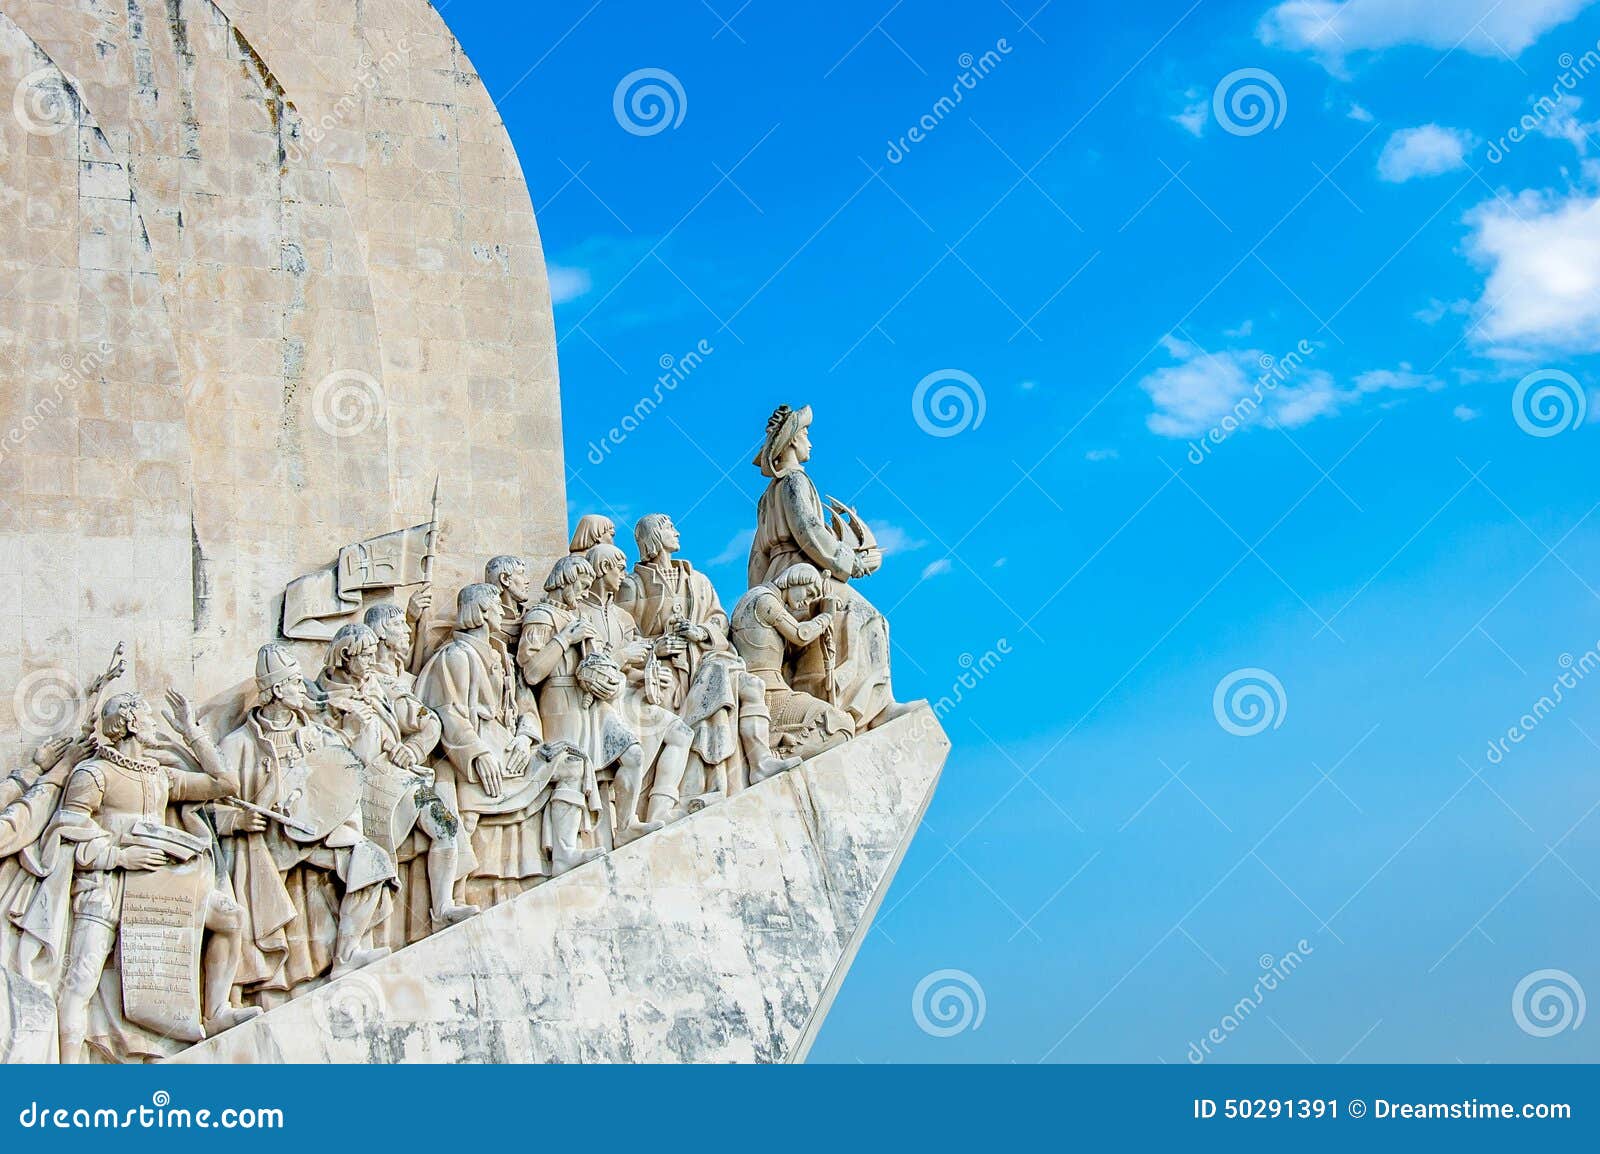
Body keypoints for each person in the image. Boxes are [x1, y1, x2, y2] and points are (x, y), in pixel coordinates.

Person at [52, 691, 259, 1061]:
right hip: (108, 887)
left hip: (157, 888)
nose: (152, 724)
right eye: (147, 717)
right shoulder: (93, 775)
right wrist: (120, 856)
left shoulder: (159, 776)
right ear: (131, 723)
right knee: (80, 981)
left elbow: (225, 784)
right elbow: (66, 832)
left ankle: (215, 1014)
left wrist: (190, 730)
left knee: (230, 917)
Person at [215, 644, 396, 1006]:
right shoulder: (238, 745)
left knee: (373, 862)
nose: (304, 689)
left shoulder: (315, 734)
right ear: (278, 690)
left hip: (315, 837)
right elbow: (211, 807)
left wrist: (361, 729)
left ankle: (345, 956)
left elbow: (348, 774)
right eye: (297, 682)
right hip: (269, 844)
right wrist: (237, 820)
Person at [749, 404, 909, 730]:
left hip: (776, 578)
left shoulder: (767, 496)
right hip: (800, 573)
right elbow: (810, 533)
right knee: (871, 619)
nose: (810, 441)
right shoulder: (794, 481)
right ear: (792, 440)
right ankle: (875, 709)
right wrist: (856, 563)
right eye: (806, 433)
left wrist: (760, 594)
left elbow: (756, 557)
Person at [620, 516, 799, 794]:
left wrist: (701, 632)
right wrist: (657, 646)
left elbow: (718, 619)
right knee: (717, 684)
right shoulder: (632, 586)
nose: (676, 532)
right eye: (669, 528)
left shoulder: (698, 580)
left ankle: (761, 760)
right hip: (669, 672)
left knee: (751, 685)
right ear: (654, 536)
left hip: (706, 656)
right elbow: (623, 637)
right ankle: (704, 785)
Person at [318, 624, 476, 935]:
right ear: (345, 657)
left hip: (397, 779)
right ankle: (352, 947)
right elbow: (323, 759)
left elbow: (423, 719)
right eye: (364, 655)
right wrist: (349, 732)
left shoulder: (375, 686)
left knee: (446, 824)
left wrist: (412, 748)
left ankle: (442, 908)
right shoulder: (323, 700)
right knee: (369, 863)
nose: (371, 660)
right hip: (362, 791)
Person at [416, 584, 549, 906]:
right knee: (466, 815)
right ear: (480, 611)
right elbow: (446, 710)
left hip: (509, 747)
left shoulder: (502, 656)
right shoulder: (455, 655)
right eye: (494, 606)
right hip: (474, 753)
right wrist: (476, 753)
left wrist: (524, 737)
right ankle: (451, 898)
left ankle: (563, 853)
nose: (502, 611)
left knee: (571, 763)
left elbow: (525, 706)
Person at [579, 543, 691, 825]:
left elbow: (633, 666)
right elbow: (583, 670)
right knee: (633, 753)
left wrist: (651, 677)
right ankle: (626, 822)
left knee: (680, 731)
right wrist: (622, 656)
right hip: (598, 704)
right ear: (604, 569)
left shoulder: (623, 617)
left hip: (627, 695)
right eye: (619, 569)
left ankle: (659, 810)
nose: (623, 575)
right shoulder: (579, 612)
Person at [730, 564, 856, 765]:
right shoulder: (764, 599)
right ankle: (778, 756)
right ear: (796, 579)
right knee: (841, 724)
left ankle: (780, 748)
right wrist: (826, 616)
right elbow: (800, 634)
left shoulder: (759, 598)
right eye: (808, 593)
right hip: (769, 693)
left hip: (769, 688)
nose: (806, 601)